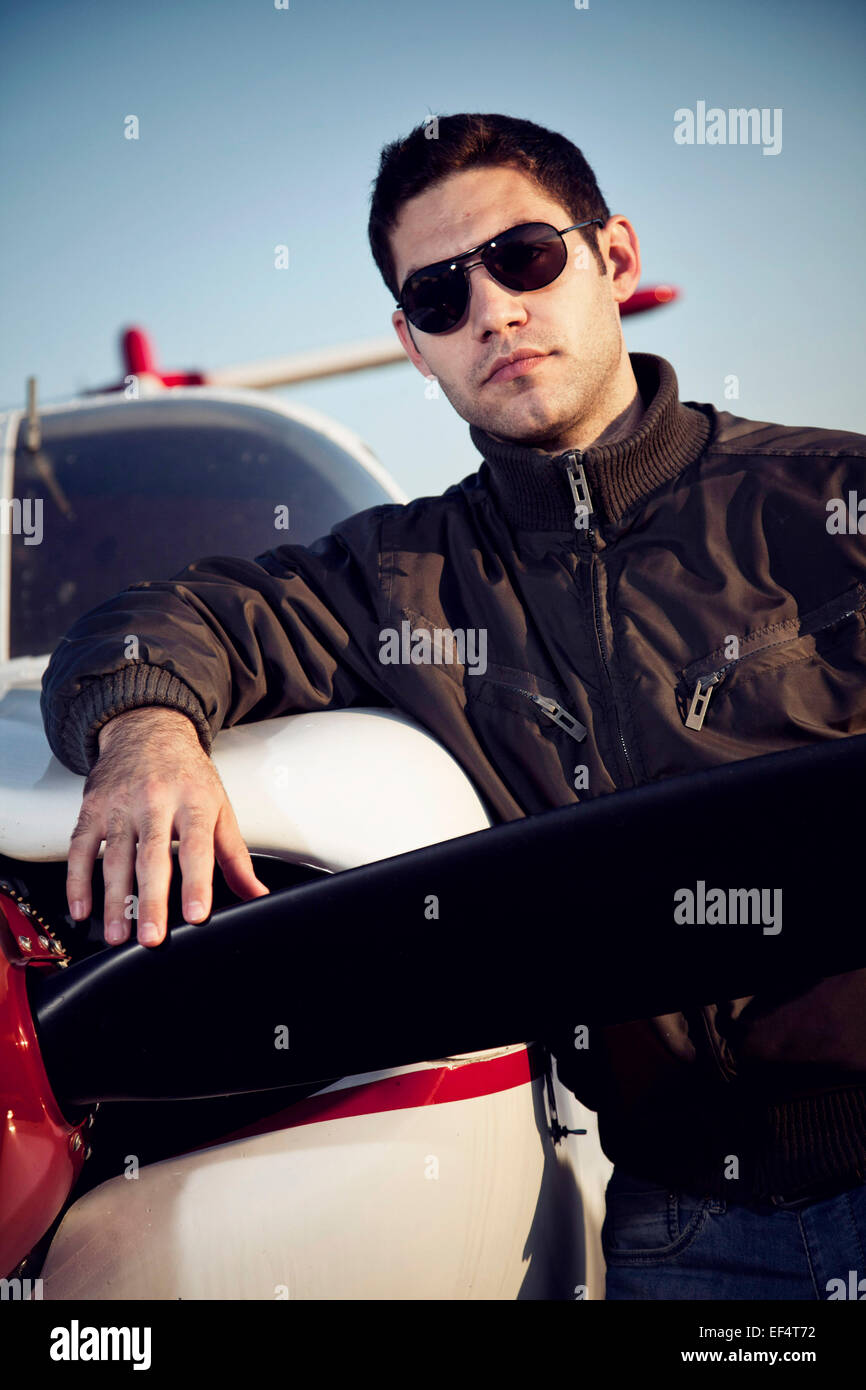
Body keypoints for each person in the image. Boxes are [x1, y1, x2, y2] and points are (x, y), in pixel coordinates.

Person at [41, 112, 866, 1299]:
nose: (492, 310)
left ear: (613, 260)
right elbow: (168, 615)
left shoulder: (831, 498)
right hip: (675, 1225)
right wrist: (145, 729)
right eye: (438, 296)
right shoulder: (396, 580)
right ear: (412, 344)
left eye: (524, 257)